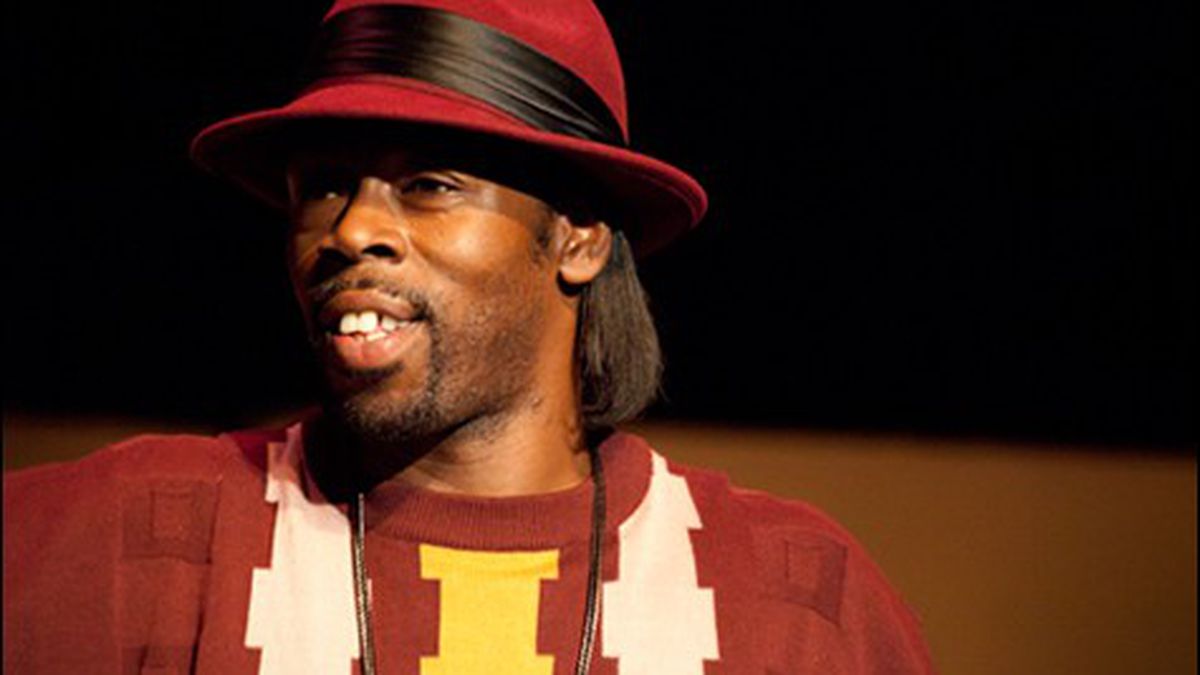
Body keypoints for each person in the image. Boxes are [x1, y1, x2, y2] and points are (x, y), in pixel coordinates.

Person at [3, 1, 935, 673]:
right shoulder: (126, 541)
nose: (350, 229)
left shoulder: (794, 603)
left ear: (578, 237)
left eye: (429, 184)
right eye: (325, 184)